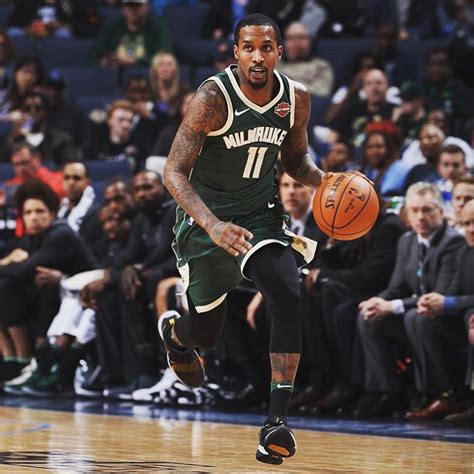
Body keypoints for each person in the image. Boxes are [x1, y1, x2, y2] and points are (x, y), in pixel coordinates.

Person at [160, 13, 328, 465]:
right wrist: (212, 225)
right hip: (207, 223)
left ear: (279, 52)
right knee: (207, 333)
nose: (257, 56)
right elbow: (173, 171)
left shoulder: (295, 98)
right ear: (236, 53)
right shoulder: (213, 98)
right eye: (248, 47)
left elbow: (295, 161)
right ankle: (177, 335)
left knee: (287, 292)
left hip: (260, 218)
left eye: (266, 47)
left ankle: (275, 423)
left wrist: (327, 181)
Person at [356, 182, 465, 418]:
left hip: (449, 319)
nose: (420, 216)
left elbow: (439, 295)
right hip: (417, 312)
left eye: (427, 210)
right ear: (407, 214)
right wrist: (378, 301)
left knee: (417, 318)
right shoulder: (406, 241)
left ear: (441, 212)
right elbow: (396, 288)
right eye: (415, 210)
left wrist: (392, 305)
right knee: (370, 316)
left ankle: (441, 394)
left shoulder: (452, 241)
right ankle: (386, 391)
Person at [277, 21, 334, 97]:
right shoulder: (274, 66)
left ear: (310, 41)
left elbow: (323, 91)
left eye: (301, 37)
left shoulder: (321, 66)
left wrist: (291, 85)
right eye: (290, 38)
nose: (295, 43)